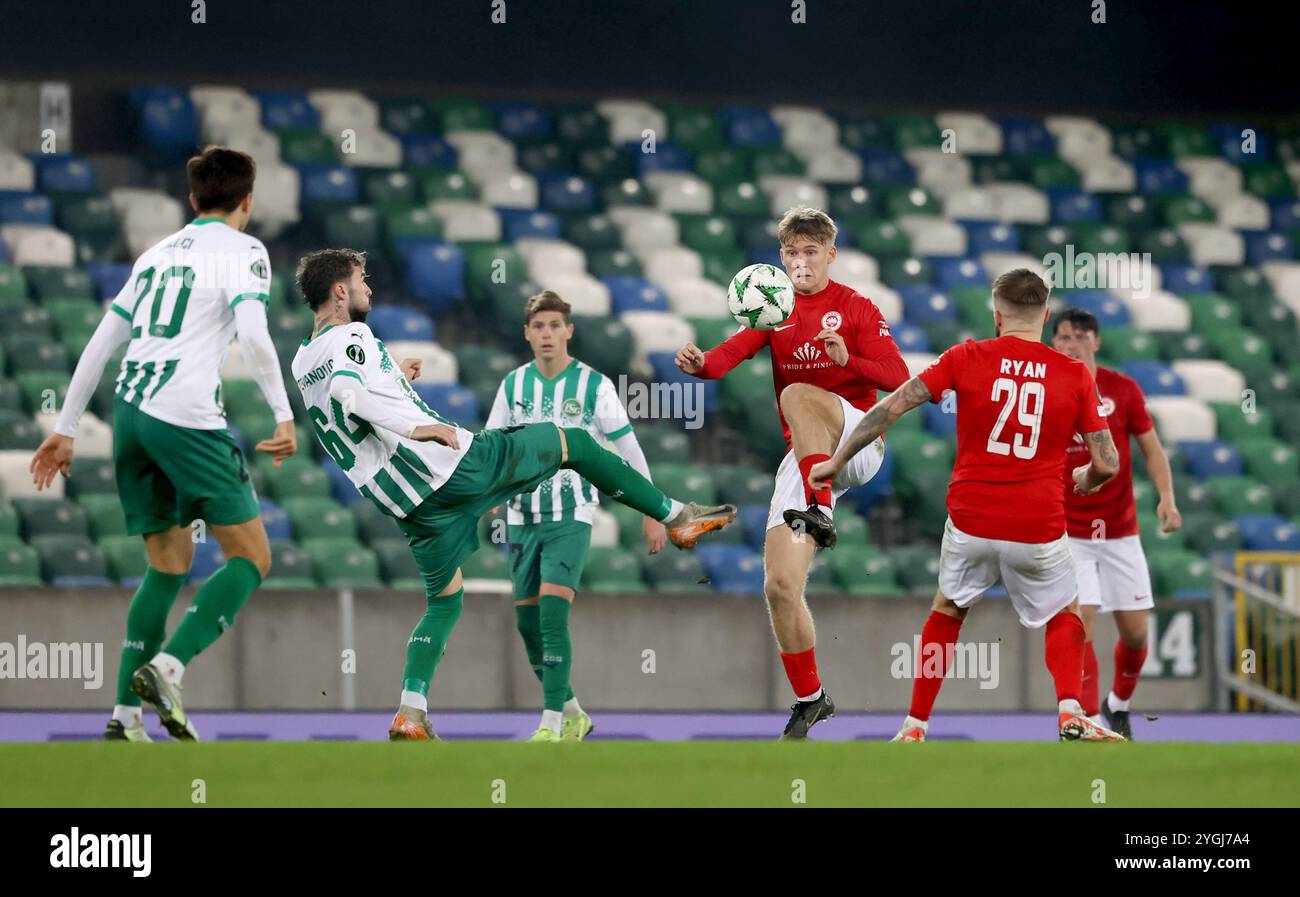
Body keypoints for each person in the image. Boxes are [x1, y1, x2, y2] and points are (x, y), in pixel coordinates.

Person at [291, 249, 735, 740]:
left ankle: (410, 713)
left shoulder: (304, 358)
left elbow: (348, 394)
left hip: (406, 503)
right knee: (575, 442)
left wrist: (397, 375)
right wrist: (420, 427)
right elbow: (352, 396)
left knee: (444, 600)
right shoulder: (353, 336)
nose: (368, 289)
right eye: (360, 280)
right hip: (449, 468)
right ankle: (676, 515)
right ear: (339, 292)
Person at [30, 146, 297, 742]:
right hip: (185, 415)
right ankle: (168, 668)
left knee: (167, 565)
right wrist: (283, 414)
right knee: (253, 556)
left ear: (192, 199)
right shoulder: (245, 250)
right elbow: (253, 335)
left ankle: (125, 719)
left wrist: (67, 427)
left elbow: (102, 342)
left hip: (130, 416)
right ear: (247, 202)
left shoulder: (154, 256)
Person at [809, 268, 1126, 741]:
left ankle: (915, 725)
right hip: (1036, 523)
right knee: (1065, 612)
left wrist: (837, 461)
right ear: (1044, 317)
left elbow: (891, 407)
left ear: (998, 316)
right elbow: (1108, 462)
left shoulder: (966, 356)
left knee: (948, 610)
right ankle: (1069, 712)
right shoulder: (1075, 374)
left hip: (971, 519)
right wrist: (1085, 478)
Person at [676, 206, 908, 739]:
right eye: (790, 253)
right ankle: (811, 699)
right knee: (780, 585)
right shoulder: (773, 308)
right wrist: (699, 364)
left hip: (857, 442)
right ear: (781, 257)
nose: (800, 262)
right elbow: (727, 356)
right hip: (805, 458)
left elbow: (898, 377)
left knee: (798, 394)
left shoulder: (856, 307)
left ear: (830, 254)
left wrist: (849, 358)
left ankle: (821, 509)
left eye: (809, 252)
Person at [1052, 308, 1181, 738]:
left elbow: (1151, 448)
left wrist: (1167, 498)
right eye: (1063, 337)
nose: (1070, 344)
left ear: (1096, 341)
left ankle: (1117, 704)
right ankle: (1085, 721)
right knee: (1081, 623)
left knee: (1136, 634)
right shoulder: (1048, 391)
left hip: (1122, 531)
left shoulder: (1122, 390)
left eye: (1078, 336)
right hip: (1071, 533)